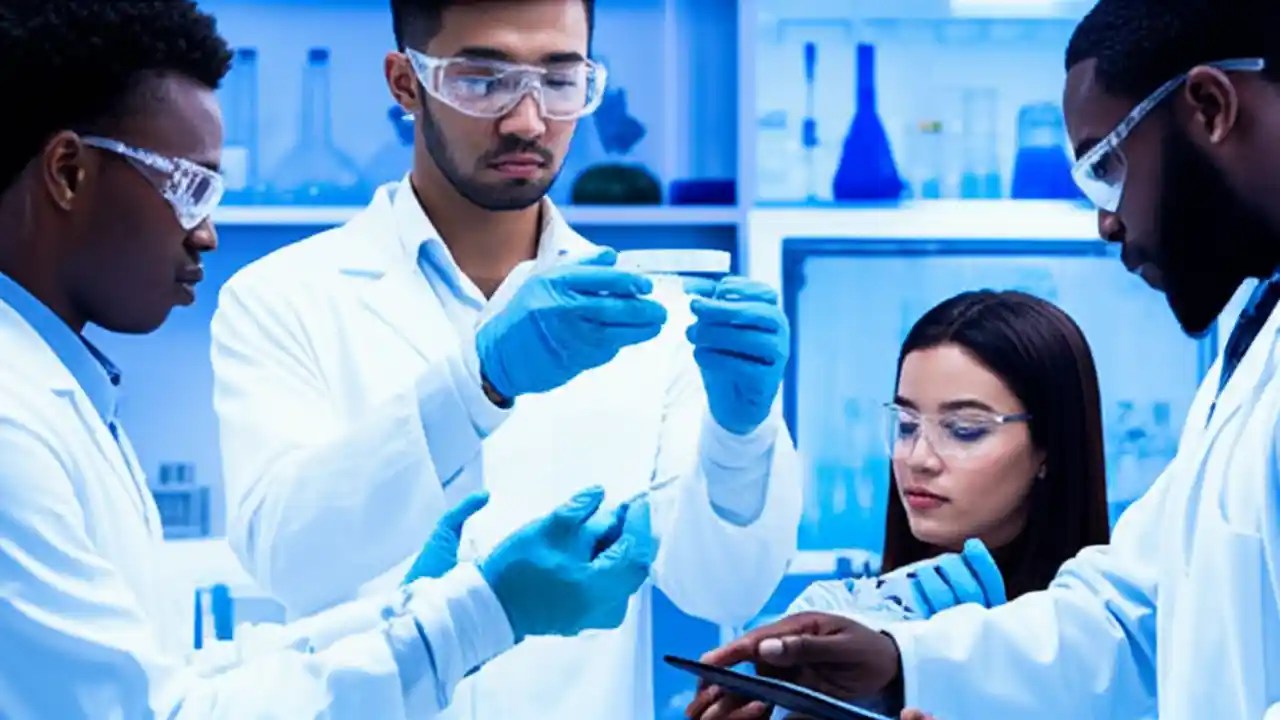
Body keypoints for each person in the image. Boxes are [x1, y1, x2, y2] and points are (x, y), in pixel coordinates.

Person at [0, 2, 656, 717]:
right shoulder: (14, 422)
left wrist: (404, 616)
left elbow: (183, 676)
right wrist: (478, 614)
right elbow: (164, 712)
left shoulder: (56, 393)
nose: (208, 235)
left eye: (558, 81)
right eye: (189, 187)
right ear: (67, 171)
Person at [686, 1, 1280, 719]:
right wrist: (897, 659)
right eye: (905, 424)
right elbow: (1128, 620)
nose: (1106, 219)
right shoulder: (1254, 348)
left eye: (1107, 164)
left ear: (1211, 108)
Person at [209, 0, 801, 717]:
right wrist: (476, 382)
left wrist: (743, 436)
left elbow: (722, 589)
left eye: (559, 81)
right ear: (404, 82)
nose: (527, 120)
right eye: (482, 80)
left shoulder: (657, 314)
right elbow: (287, 554)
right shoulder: (283, 298)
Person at [786, 290, 1111, 628]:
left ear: (1049, 446)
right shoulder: (853, 609)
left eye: (964, 429)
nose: (919, 459)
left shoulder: (1107, 630)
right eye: (908, 426)